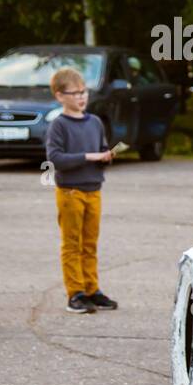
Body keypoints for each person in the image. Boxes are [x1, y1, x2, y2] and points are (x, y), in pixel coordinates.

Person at [45, 67, 116, 314]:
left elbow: (102, 148)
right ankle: (75, 293)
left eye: (83, 91)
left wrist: (106, 156)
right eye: (74, 93)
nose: (81, 97)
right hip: (70, 193)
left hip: (93, 190)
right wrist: (88, 156)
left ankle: (92, 290)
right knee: (71, 244)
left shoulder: (95, 122)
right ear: (59, 96)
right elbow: (55, 158)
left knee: (90, 244)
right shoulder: (59, 126)